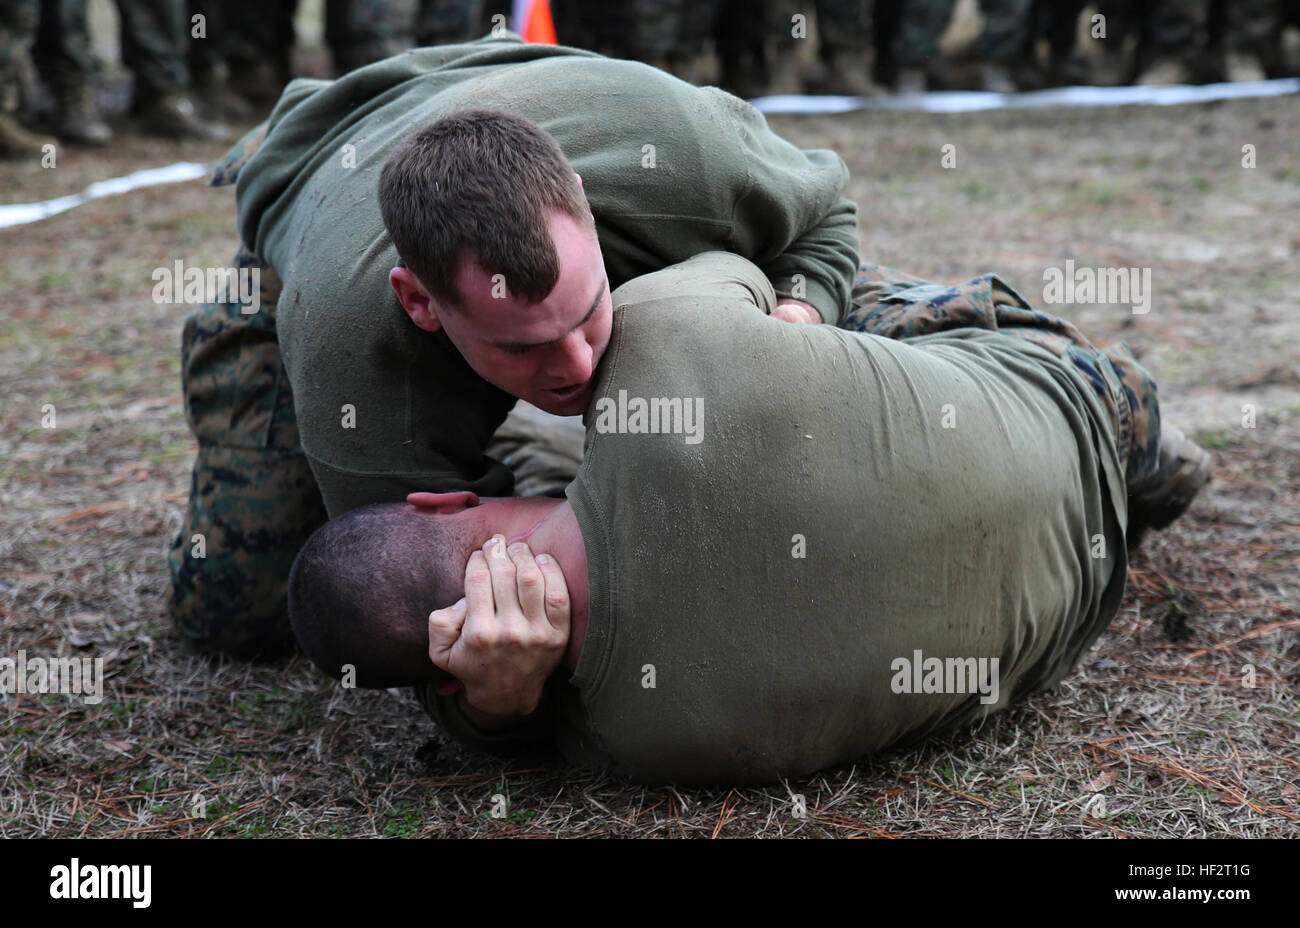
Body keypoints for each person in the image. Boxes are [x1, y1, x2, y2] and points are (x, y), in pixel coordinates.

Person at [286, 251, 1212, 784]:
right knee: (818, 307)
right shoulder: (654, 334)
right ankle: (1157, 455)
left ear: (462, 674)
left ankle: (1137, 488)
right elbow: (757, 258)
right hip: (1077, 393)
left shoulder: (630, 740)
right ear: (444, 500)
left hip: (1090, 588)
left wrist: (496, 708)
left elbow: (509, 741)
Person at [169, 34, 860, 659]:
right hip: (324, 164)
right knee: (238, 612)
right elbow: (433, 624)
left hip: (524, 87)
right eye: (524, 348)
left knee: (858, 341)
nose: (580, 367)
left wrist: (796, 319)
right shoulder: (358, 364)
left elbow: (825, 220)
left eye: (589, 313)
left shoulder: (692, 160)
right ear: (419, 303)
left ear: (585, 210)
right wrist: (502, 696)